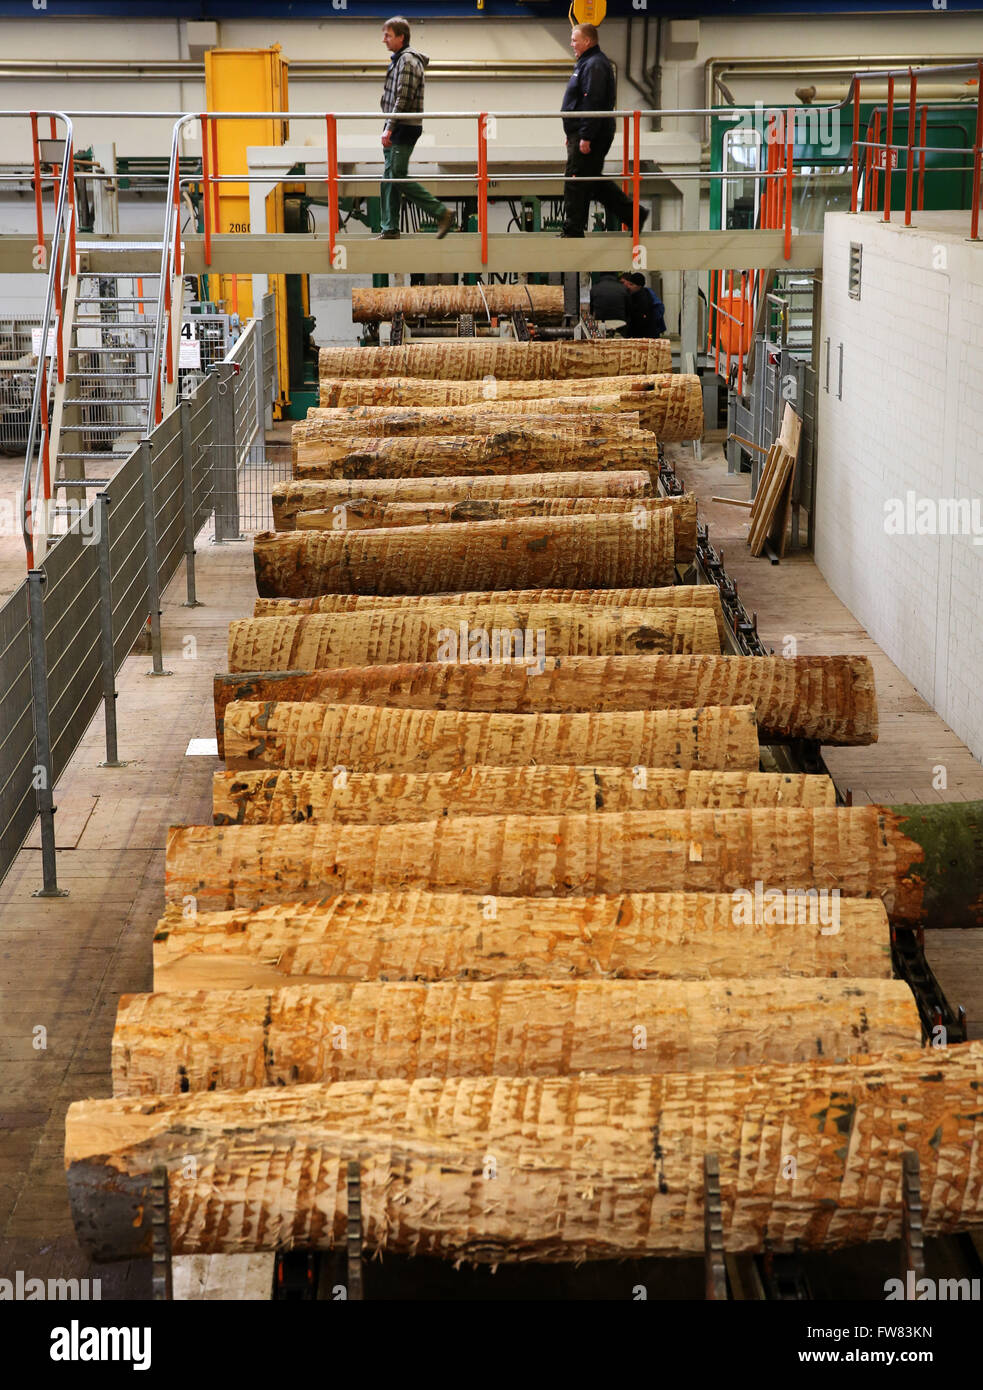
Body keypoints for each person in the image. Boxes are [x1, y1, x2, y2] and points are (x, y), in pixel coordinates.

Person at [560, 23, 648, 239]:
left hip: (591, 133)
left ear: (587, 41)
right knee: (591, 181)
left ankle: (573, 229)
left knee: (576, 179)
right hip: (583, 131)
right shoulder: (586, 63)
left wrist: (586, 135)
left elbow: (594, 101)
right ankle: (635, 214)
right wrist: (572, 132)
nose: (571, 43)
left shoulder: (595, 65)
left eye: (574, 39)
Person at [378, 16, 455, 240]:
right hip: (395, 125)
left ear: (401, 37)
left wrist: (389, 127)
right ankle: (389, 228)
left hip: (403, 126)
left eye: (388, 35)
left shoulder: (408, 62)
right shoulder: (399, 60)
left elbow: (403, 98)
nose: (384, 40)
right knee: (389, 177)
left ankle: (441, 213)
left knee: (398, 175)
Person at [620, 272, 660, 337]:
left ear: (639, 286)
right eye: (629, 284)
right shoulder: (638, 295)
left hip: (645, 337)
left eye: (632, 284)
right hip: (643, 335)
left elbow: (640, 320)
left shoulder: (642, 299)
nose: (629, 287)